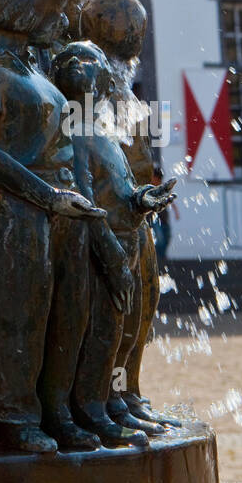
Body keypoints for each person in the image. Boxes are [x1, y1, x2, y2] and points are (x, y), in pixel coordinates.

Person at [0, 0, 105, 454]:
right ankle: (14, 416)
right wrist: (46, 195)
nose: (62, 25)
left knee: (69, 310)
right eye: (55, 13)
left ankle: (56, 409)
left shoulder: (31, 65)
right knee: (21, 311)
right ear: (26, 9)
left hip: (62, 206)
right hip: (12, 208)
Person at [51, 41, 174, 448]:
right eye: (71, 62)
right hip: (95, 251)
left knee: (116, 333)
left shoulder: (102, 132)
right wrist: (110, 253)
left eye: (91, 63)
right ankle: (85, 407)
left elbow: (116, 189)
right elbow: (86, 198)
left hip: (123, 244)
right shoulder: (71, 135)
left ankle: (106, 401)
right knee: (86, 333)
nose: (82, 69)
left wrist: (142, 199)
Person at [80, 0, 178, 432]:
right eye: (123, 24)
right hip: (109, 219)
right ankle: (103, 398)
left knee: (141, 309)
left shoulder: (128, 94)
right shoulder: (87, 81)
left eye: (137, 25)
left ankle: (128, 391)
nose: (134, 33)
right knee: (112, 316)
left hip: (138, 215)